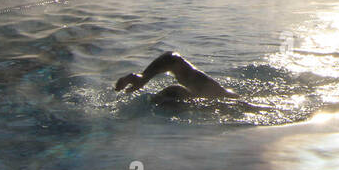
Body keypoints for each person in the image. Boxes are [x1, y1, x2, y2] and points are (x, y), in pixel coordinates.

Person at [115, 51, 268, 107]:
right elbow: (172, 59)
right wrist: (143, 77)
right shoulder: (210, 93)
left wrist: (144, 78)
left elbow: (172, 59)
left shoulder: (221, 101)